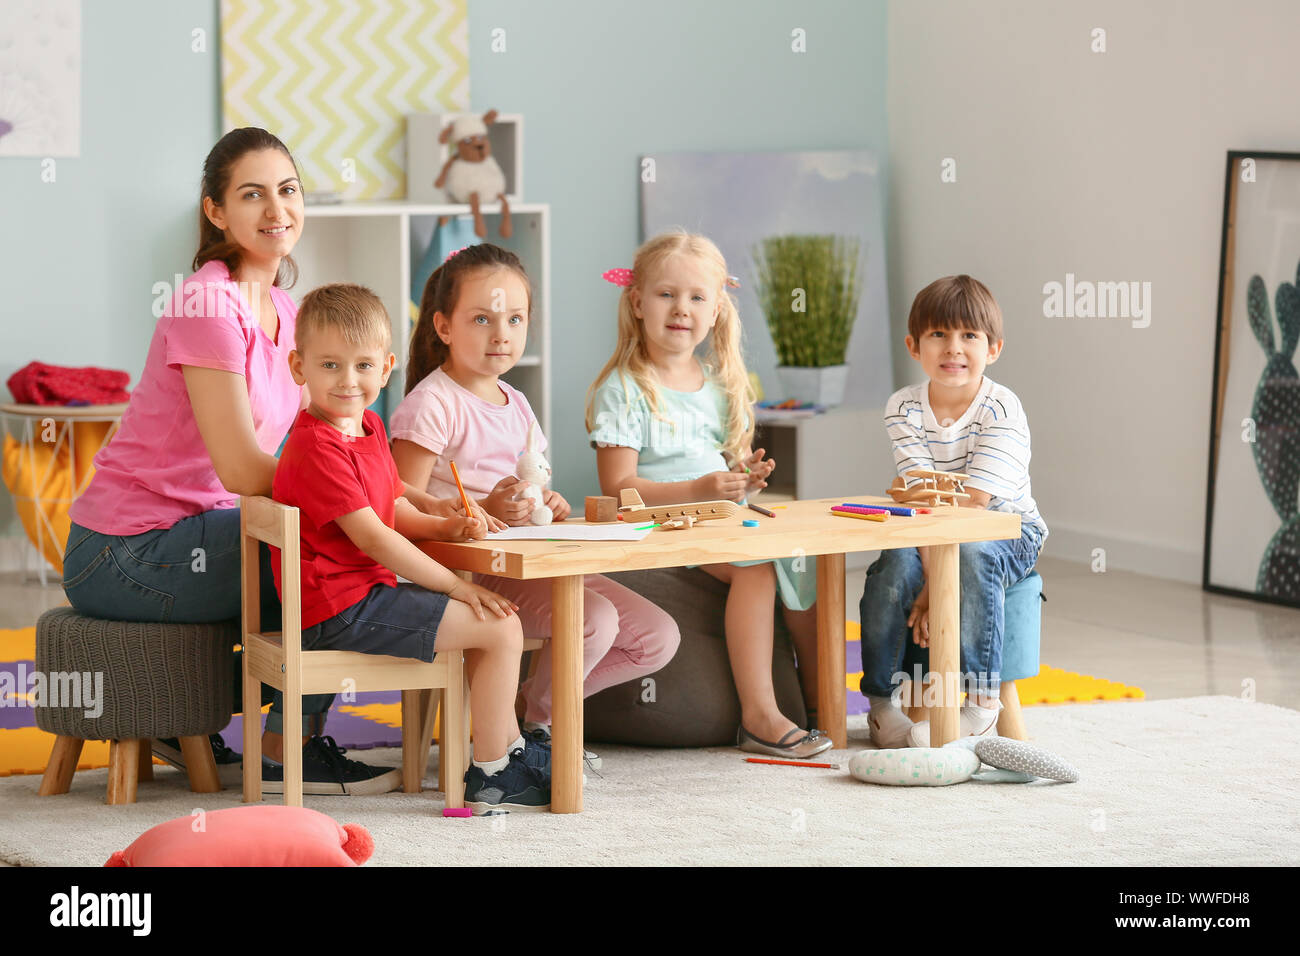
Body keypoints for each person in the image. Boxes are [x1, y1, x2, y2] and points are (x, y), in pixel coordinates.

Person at [61, 128, 393, 783]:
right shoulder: (207, 304)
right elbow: (245, 469)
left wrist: (393, 490)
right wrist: (360, 499)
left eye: (288, 190)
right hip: (126, 548)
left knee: (332, 539)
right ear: (216, 211)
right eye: (253, 195)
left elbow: (318, 448)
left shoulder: (286, 310)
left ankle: (245, 727)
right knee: (329, 549)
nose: (277, 210)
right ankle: (280, 745)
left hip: (204, 530)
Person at [389, 243, 680, 767]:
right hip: (470, 571)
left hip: (535, 558)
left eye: (515, 318)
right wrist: (479, 505)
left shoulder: (517, 402)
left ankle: (531, 714)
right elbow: (396, 506)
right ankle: (542, 732)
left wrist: (547, 498)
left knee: (659, 636)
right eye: (481, 318)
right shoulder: (431, 404)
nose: (501, 333)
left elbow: (532, 478)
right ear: (444, 326)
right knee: (594, 622)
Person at [268, 281, 547, 811]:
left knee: (496, 623)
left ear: (387, 366)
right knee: (500, 625)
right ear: (298, 367)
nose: (349, 381)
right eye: (330, 366)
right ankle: (495, 770)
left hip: (356, 596)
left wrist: (440, 516)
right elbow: (375, 535)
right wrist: (455, 587)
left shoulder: (365, 427)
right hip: (338, 610)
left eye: (363, 366)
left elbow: (389, 497)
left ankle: (503, 752)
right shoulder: (316, 446)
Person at [585, 230, 829, 758]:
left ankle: (817, 703)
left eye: (697, 297)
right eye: (666, 294)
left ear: (717, 309)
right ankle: (761, 716)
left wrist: (744, 477)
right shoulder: (625, 388)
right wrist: (699, 489)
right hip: (654, 525)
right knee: (755, 567)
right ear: (637, 301)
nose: (681, 309)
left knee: (807, 559)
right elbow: (618, 487)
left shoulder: (718, 385)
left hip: (715, 516)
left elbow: (722, 464)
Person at [858, 274, 1048, 748]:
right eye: (938, 334)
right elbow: (925, 502)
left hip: (1007, 531)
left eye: (969, 336)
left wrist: (932, 591)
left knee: (973, 553)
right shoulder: (903, 407)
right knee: (890, 566)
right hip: (930, 532)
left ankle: (981, 703)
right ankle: (882, 705)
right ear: (913, 345)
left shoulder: (1001, 408)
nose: (953, 348)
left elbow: (974, 506)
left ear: (994, 348)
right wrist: (923, 585)